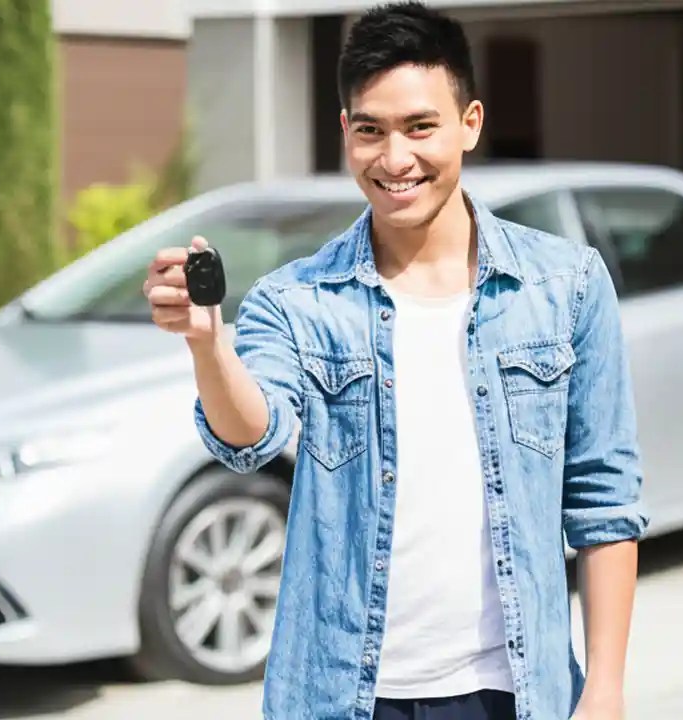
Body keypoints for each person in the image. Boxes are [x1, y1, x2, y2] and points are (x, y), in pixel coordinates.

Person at [142, 3, 647, 718]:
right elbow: (249, 437)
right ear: (346, 132)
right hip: (347, 697)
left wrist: (605, 688)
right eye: (371, 131)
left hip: (513, 695)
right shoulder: (299, 300)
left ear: (469, 123)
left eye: (420, 127)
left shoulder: (565, 288)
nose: (396, 158)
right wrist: (208, 343)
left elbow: (605, 503)